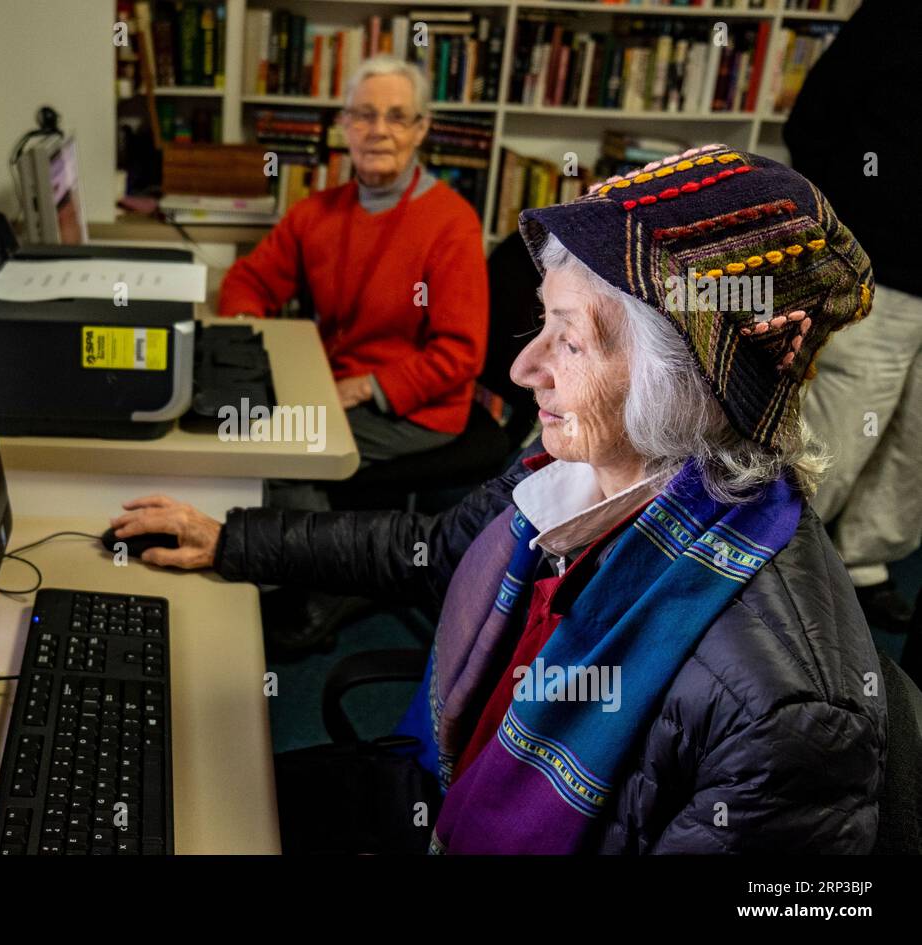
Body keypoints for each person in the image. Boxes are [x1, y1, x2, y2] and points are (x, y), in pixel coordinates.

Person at [109, 145, 886, 853]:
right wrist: (230, 539)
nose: (523, 370)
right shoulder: (572, 474)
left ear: (679, 384)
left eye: (571, 339)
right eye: (542, 322)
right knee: (164, 808)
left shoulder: (793, 714)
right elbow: (427, 548)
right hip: (440, 788)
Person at [218, 55, 488, 469]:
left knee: (282, 455)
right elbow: (249, 282)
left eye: (397, 117)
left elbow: (460, 353)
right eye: (364, 115)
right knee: (231, 425)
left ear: (421, 129)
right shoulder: (317, 212)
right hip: (328, 382)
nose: (379, 130)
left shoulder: (452, 223)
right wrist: (245, 352)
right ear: (345, 126)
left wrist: (365, 387)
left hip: (415, 408)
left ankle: (304, 535)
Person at [782, 0, 922, 635]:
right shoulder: (897, 15)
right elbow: (813, 120)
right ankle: (768, 563)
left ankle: (866, 559)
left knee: (915, 441)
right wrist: (849, 224)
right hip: (879, 268)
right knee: (840, 427)